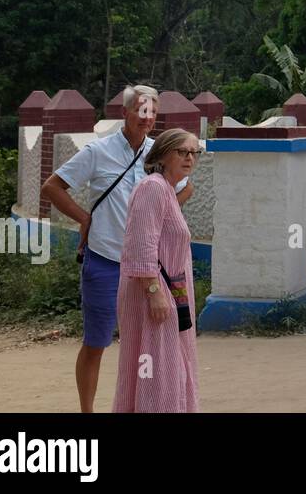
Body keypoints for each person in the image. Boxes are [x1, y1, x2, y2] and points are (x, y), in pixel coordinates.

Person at [39, 84, 193, 413]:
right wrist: (86, 219)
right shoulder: (99, 152)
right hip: (107, 261)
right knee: (97, 343)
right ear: (124, 112)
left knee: (146, 345)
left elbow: (186, 186)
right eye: (140, 109)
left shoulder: (158, 155)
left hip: (151, 270)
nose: (146, 117)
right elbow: (52, 187)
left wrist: (163, 218)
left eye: (152, 111)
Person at [112, 128, 201, 413]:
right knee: (156, 368)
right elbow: (141, 242)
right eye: (182, 152)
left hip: (171, 292)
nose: (189, 158)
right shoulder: (153, 187)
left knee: (171, 365)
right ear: (162, 155)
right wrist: (154, 292)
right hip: (153, 293)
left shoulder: (167, 191)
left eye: (194, 153)